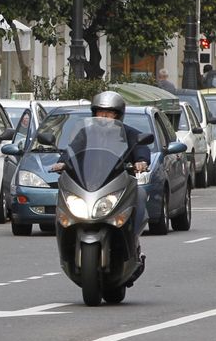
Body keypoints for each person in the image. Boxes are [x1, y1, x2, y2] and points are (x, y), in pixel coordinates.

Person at [51, 91, 150, 274]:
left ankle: (132, 240)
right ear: (94, 114)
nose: (104, 117)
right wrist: (62, 162)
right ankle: (67, 251)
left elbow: (141, 146)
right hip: (88, 182)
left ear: (118, 115)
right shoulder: (85, 133)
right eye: (100, 112)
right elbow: (73, 149)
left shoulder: (128, 133)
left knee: (140, 195)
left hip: (115, 181)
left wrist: (141, 161)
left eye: (109, 113)